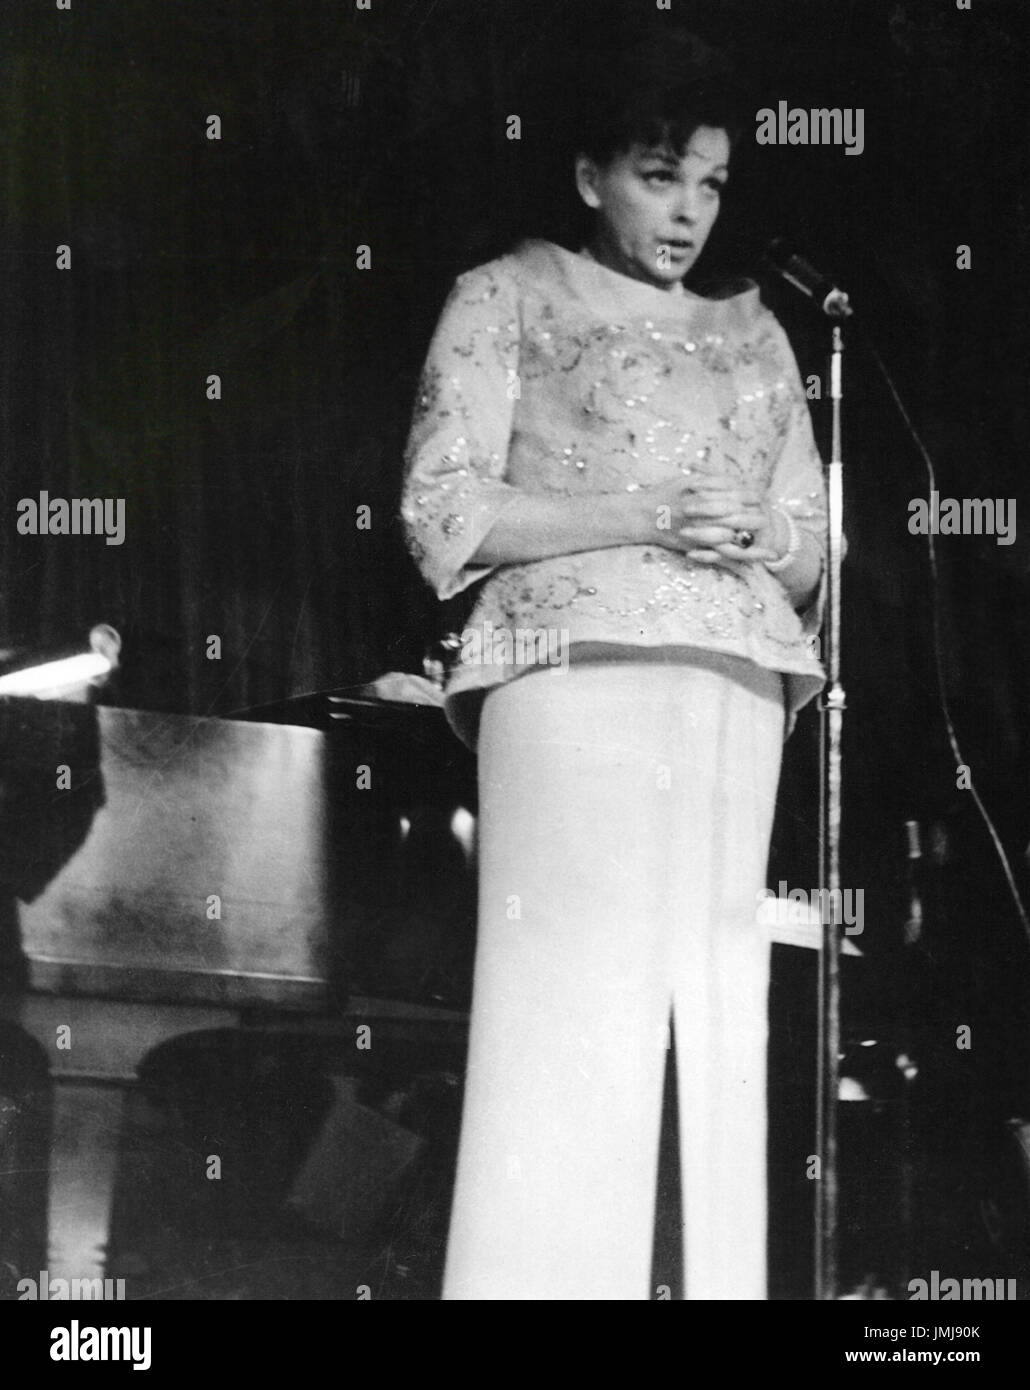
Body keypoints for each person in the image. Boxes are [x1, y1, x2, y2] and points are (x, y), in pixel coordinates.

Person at [401, 32, 828, 1300]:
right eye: (659, 176)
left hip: (732, 689)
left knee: (718, 1016)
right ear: (590, 175)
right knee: (564, 1009)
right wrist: (643, 515)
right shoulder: (505, 294)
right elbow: (444, 512)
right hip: (568, 680)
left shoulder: (758, 334)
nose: (690, 212)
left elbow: (805, 551)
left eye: (709, 184)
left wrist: (761, 535)